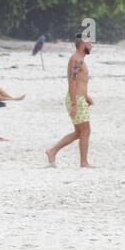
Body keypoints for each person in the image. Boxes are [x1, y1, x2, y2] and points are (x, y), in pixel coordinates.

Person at [46, 31, 95, 168]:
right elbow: (72, 82)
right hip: (76, 99)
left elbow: (80, 82)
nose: (92, 46)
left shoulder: (79, 58)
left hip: (79, 98)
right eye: (90, 43)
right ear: (82, 45)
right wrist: (74, 104)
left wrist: (86, 97)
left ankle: (52, 151)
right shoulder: (77, 60)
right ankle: (83, 162)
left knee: (80, 132)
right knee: (85, 131)